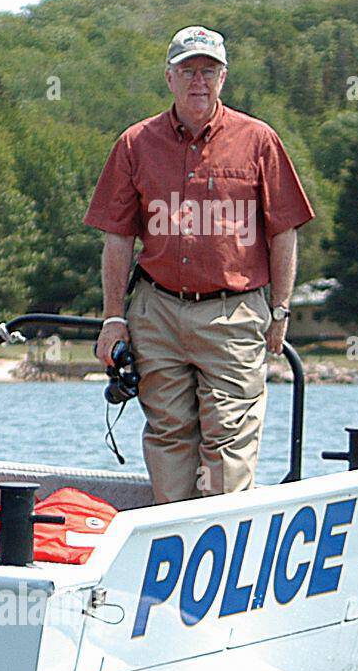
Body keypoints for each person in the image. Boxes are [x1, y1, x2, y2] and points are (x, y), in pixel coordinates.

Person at [85, 26, 315, 503]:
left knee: (227, 444)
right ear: (169, 78)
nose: (198, 81)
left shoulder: (259, 140)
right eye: (188, 70)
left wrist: (281, 310)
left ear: (223, 77)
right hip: (157, 311)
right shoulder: (135, 143)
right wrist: (112, 318)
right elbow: (118, 237)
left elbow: (284, 231)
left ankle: (219, 550)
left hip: (234, 314)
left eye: (208, 70)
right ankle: (172, 549)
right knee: (168, 435)